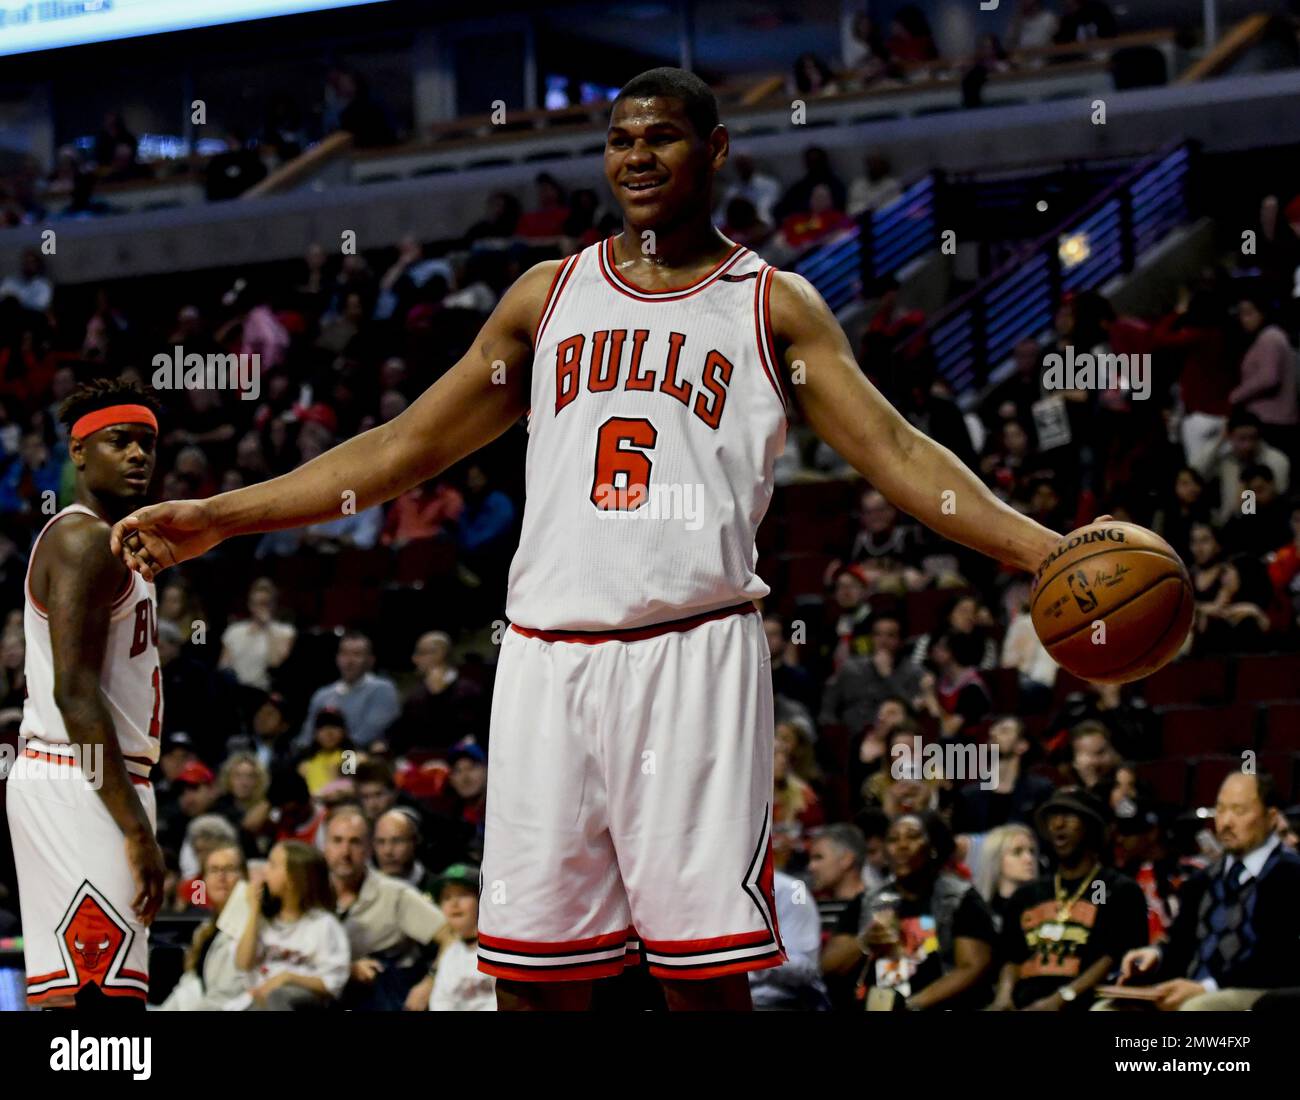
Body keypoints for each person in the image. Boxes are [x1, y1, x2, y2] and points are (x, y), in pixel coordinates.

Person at [111, 67, 1067, 1012]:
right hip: (545, 656)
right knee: (531, 981)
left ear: (718, 149)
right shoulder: (545, 295)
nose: (638, 154)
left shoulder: (772, 305)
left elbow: (898, 451)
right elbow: (401, 447)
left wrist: (1044, 551)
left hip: (693, 651)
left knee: (705, 982)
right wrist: (222, 515)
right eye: (620, 138)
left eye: (663, 135)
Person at [6, 379, 165, 1008]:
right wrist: (135, 831)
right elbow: (75, 694)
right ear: (77, 453)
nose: (137, 456)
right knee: (100, 1006)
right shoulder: (80, 543)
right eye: (118, 442)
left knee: (77, 998)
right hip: (82, 779)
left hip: (87, 776)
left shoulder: (112, 539)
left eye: (147, 444)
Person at [1112, 772, 1300, 1010]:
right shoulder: (1202, 879)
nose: (1226, 822)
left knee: (1196, 1008)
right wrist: (1156, 955)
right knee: (1107, 1009)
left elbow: (1280, 959)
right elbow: (1181, 943)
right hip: (1195, 990)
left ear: (1271, 817)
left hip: (1259, 993)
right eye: (1220, 810)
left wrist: (1207, 987)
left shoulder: (1291, 875)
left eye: (1239, 811)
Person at [993, 787, 1148, 1011]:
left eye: (1068, 816)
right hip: (1025, 1001)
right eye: (1053, 818)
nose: (1057, 824)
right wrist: (1003, 998)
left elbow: (1111, 956)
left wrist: (1061, 999)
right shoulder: (1028, 894)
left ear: (1091, 826)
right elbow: (1012, 957)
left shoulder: (1104, 886)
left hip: (1086, 1002)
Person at [855, 812, 997, 1010]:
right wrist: (865, 943)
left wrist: (910, 1006)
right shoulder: (869, 900)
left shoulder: (960, 897)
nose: (902, 846)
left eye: (913, 837)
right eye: (893, 839)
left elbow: (973, 966)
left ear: (933, 847)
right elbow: (830, 965)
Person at [324, 805, 452, 1012]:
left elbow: (451, 936)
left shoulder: (395, 894)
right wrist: (346, 969)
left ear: (368, 848)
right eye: (337, 841)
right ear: (325, 846)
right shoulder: (310, 892)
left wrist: (429, 983)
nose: (345, 852)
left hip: (382, 994)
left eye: (355, 842)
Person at [233, 840, 350, 1010]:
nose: (265, 871)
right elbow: (243, 964)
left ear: (293, 878)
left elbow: (333, 983)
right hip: (256, 1000)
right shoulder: (264, 921)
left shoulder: (323, 925)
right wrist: (254, 910)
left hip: (300, 1002)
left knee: (279, 995)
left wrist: (288, 978)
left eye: (272, 865)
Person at [159, 844, 248, 1010]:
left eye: (229, 869)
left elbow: (226, 996)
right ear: (204, 880)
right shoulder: (204, 930)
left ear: (244, 876)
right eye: (214, 870)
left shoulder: (250, 926)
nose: (221, 877)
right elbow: (187, 990)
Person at [952, 716, 1055, 835]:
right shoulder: (969, 795)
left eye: (1004, 730)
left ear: (1021, 746)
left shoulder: (1040, 791)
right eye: (993, 729)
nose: (993, 733)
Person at [749, 869, 830, 1010]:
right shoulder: (709, 889)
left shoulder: (791, 890)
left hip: (776, 1003)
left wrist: (755, 958)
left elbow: (806, 967)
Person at [428, 863, 496, 1011]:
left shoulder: (499, 949)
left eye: (463, 895)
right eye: (446, 898)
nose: (454, 903)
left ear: (481, 900)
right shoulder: (450, 955)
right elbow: (440, 1003)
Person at [973, 823, 1039, 933]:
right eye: (1017, 852)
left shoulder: (1044, 906)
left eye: (1031, 851)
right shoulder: (979, 912)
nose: (1029, 859)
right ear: (995, 859)